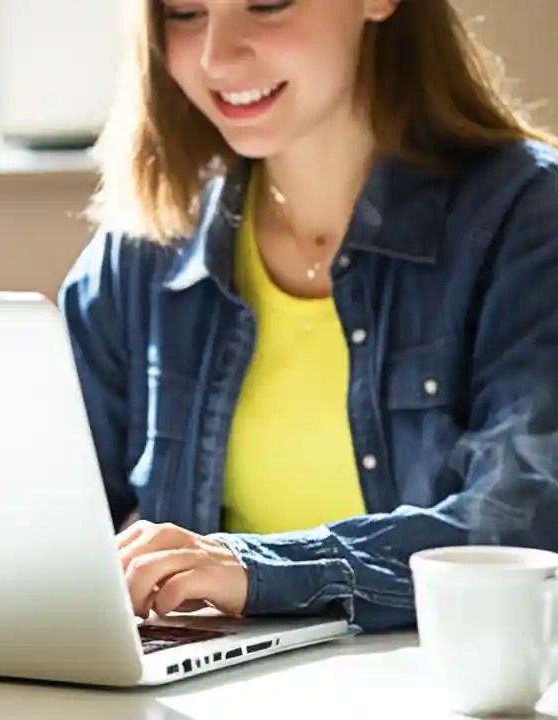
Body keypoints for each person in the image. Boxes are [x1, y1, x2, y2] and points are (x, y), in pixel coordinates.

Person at [58, 0, 558, 632]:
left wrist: (263, 569)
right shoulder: (142, 252)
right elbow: (33, 527)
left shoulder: (530, 219)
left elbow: (523, 521)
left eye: (266, 4)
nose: (216, 54)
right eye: (186, 13)